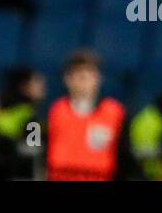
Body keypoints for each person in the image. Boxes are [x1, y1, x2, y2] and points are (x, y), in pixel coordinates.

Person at [46, 49, 140, 181]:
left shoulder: (115, 112)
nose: (84, 79)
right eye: (78, 74)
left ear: (98, 78)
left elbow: (125, 155)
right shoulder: (56, 110)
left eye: (89, 73)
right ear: (67, 79)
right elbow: (36, 144)